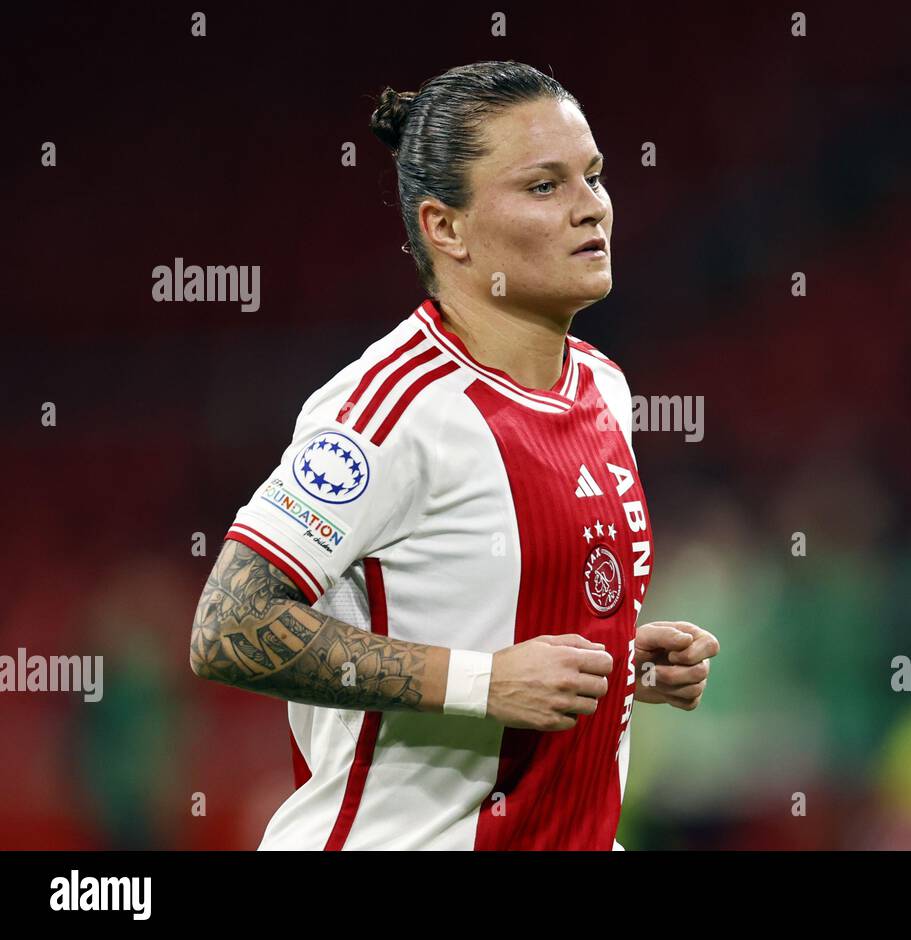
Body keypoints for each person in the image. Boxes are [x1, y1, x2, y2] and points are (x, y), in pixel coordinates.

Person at [189, 60, 719, 850]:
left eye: (595, 177)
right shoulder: (391, 407)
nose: (591, 209)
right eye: (544, 187)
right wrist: (484, 683)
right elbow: (228, 627)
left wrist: (618, 666)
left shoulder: (606, 389)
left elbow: (492, 614)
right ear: (446, 228)